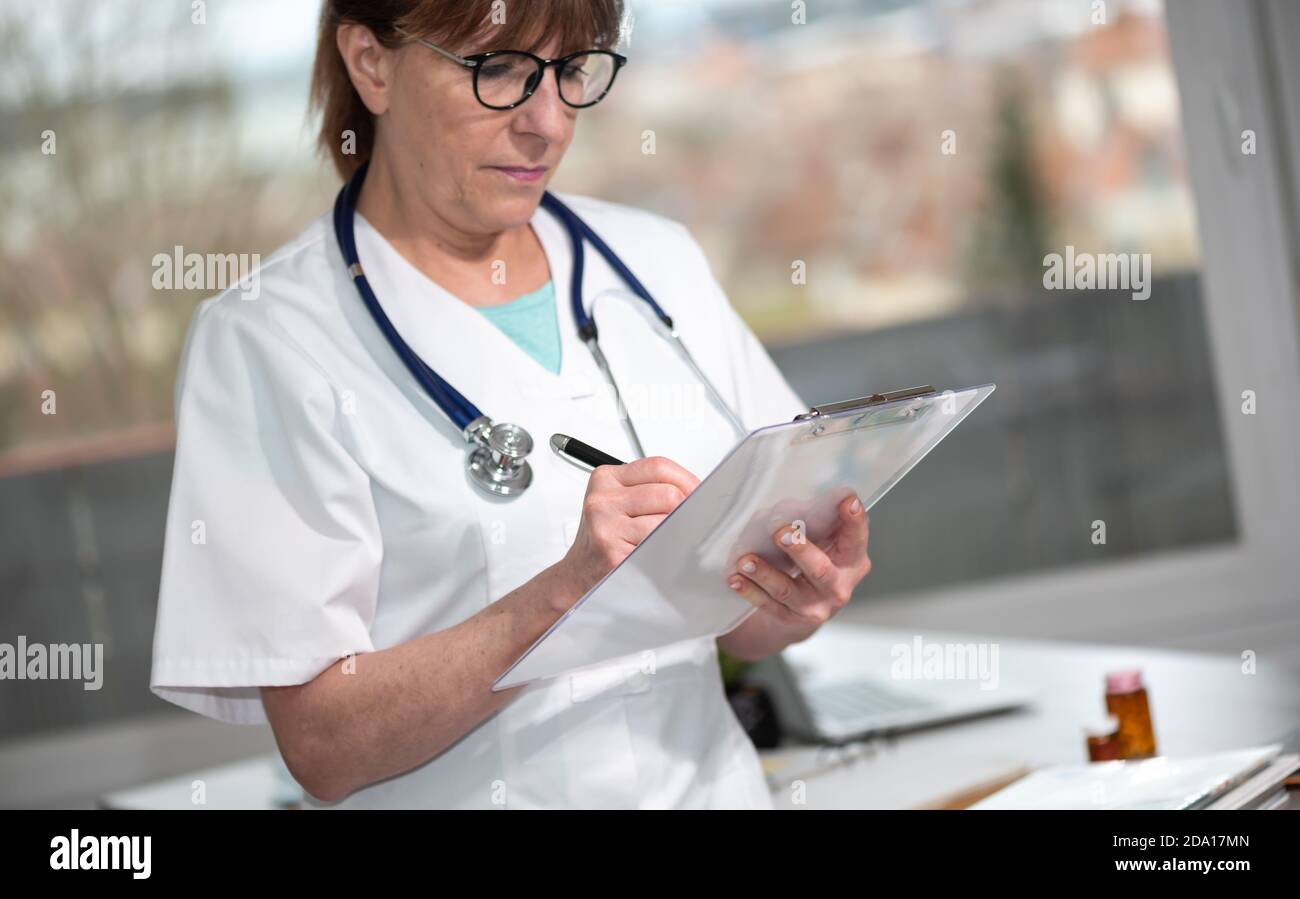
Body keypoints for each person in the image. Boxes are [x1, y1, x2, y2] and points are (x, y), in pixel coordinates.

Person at [150, 0, 873, 809]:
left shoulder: (654, 263)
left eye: (570, 72)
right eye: (499, 70)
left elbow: (741, 620)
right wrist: (562, 594)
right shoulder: (268, 339)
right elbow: (321, 745)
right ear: (371, 63)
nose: (549, 124)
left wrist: (797, 596)